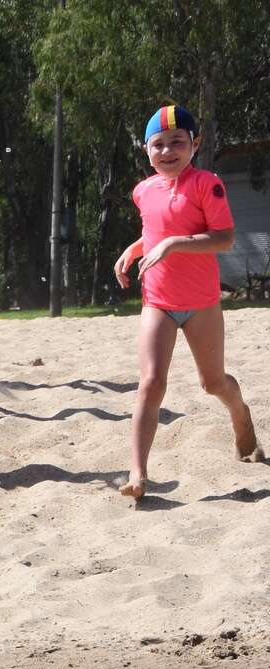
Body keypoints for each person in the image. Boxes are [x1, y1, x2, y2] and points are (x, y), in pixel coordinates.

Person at [114, 105, 261, 499]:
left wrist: (172, 244)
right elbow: (158, 230)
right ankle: (138, 473)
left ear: (195, 145)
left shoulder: (207, 184)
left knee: (213, 383)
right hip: (157, 301)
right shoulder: (143, 190)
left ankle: (240, 414)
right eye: (158, 145)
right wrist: (135, 248)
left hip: (201, 303)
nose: (167, 151)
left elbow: (224, 238)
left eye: (177, 143)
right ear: (146, 150)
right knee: (149, 383)